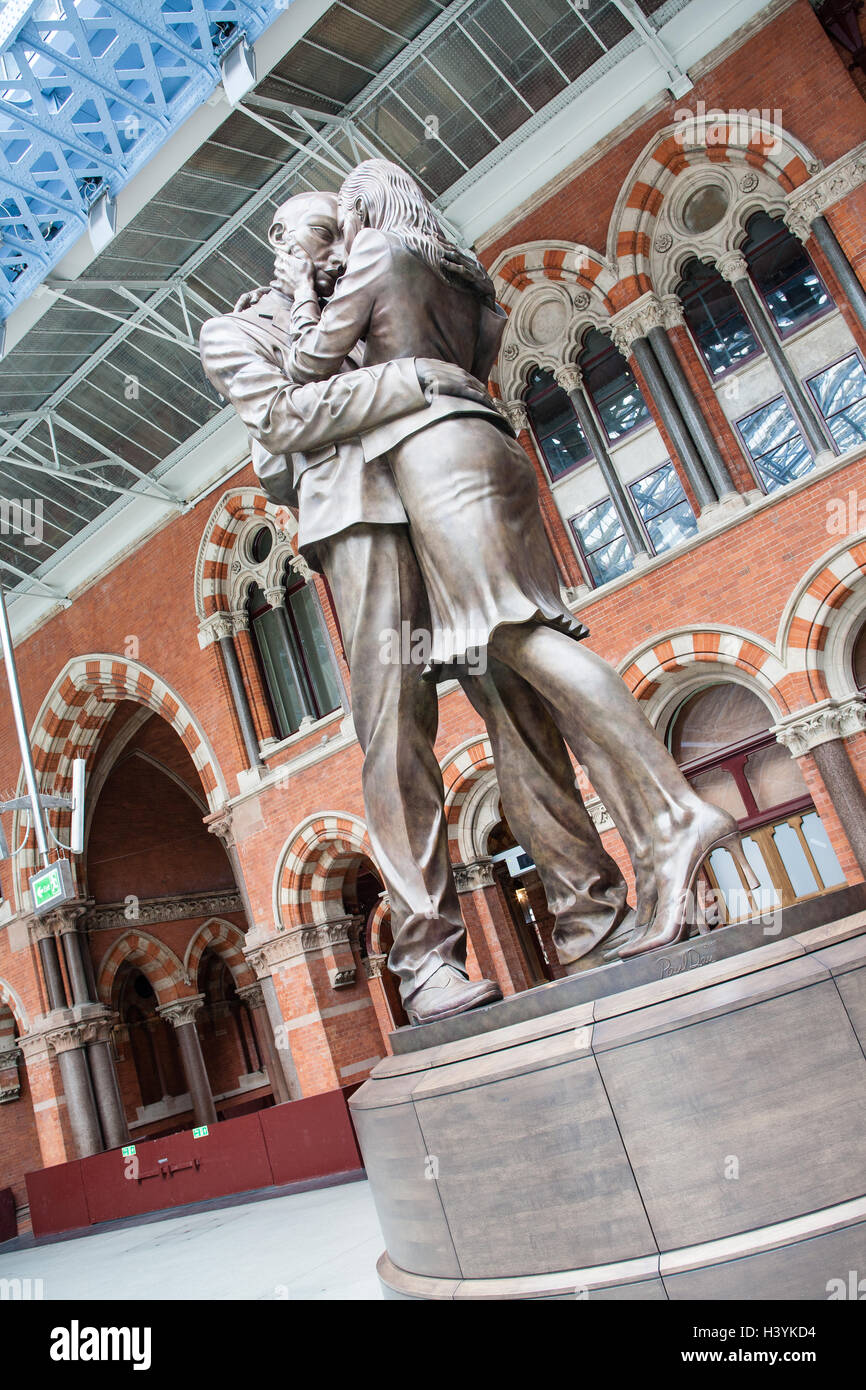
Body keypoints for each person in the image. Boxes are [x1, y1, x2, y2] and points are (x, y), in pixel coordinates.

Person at [283, 161, 758, 957]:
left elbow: (306, 367)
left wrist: (306, 284)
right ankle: (660, 842)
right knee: (524, 631)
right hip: (492, 442)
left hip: (434, 453)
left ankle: (676, 818)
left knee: (516, 633)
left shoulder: (376, 256)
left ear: (361, 208)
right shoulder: (460, 272)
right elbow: (485, 358)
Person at [200, 191, 632, 1027]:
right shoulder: (237, 331)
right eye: (309, 236)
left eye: (338, 231)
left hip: (449, 498)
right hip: (361, 518)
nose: (326, 250)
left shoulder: (385, 275)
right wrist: (412, 379)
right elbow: (286, 423)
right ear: (277, 245)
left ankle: (591, 912)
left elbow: (469, 353)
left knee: (519, 701)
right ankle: (428, 962)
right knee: (396, 730)